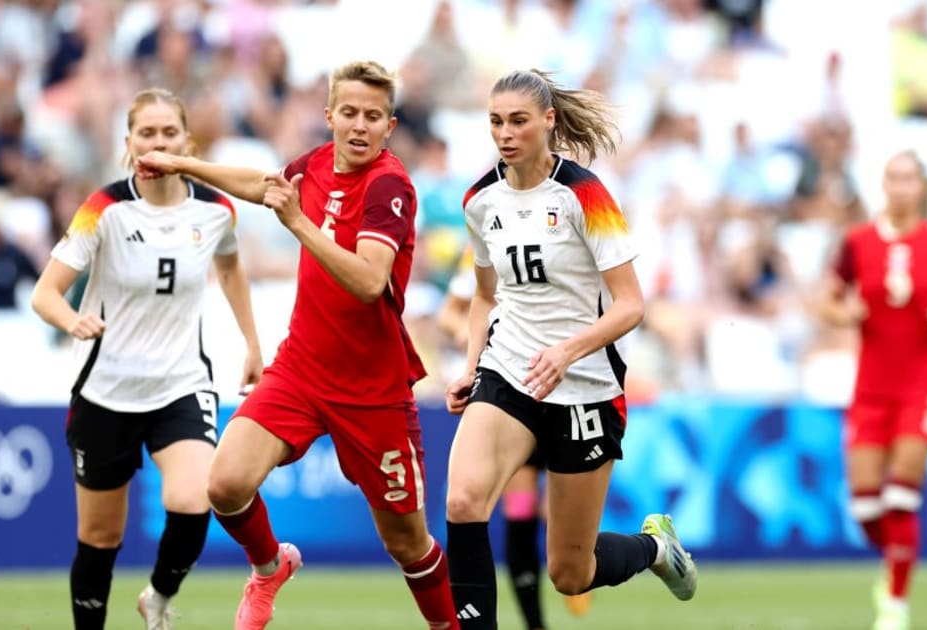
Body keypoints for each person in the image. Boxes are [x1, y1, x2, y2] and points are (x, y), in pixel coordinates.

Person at [136, 60, 459, 630]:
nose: (360, 125)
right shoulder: (315, 164)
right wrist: (182, 163)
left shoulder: (389, 186)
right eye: (350, 112)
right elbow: (265, 188)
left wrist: (300, 226)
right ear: (330, 115)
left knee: (407, 543)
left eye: (373, 116)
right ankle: (269, 567)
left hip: (372, 389)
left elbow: (369, 282)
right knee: (225, 483)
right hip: (302, 368)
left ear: (389, 126)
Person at [443, 69, 698, 630]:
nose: (505, 134)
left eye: (518, 121)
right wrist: (470, 367)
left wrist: (567, 351)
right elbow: (484, 297)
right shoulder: (480, 200)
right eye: (495, 122)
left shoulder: (584, 194)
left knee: (570, 571)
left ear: (548, 120)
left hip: (584, 388)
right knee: (462, 502)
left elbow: (631, 305)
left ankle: (656, 548)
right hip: (509, 370)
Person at [31, 87, 265, 630]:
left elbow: (230, 267)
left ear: (187, 141)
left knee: (194, 500)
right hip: (105, 390)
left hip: (180, 383)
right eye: (147, 133)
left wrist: (252, 343)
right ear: (129, 143)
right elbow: (45, 293)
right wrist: (73, 321)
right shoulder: (104, 209)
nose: (158, 142)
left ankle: (158, 596)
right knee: (101, 538)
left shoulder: (215, 210)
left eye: (169, 132)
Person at [820, 150, 927, 630]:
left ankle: (895, 603)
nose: (901, 187)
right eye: (893, 178)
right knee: (865, 507)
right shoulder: (858, 243)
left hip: (923, 383)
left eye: (909, 179)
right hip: (871, 386)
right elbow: (828, 301)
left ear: (922, 187)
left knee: (900, 495)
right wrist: (844, 313)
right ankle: (895, 562)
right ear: (883, 184)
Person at [438, 248, 591, 630]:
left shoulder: (565, 237)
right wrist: (470, 338)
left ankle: (576, 564)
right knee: (520, 510)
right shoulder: (487, 243)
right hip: (510, 386)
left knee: (560, 524)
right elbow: (454, 310)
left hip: (567, 385)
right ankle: (535, 623)